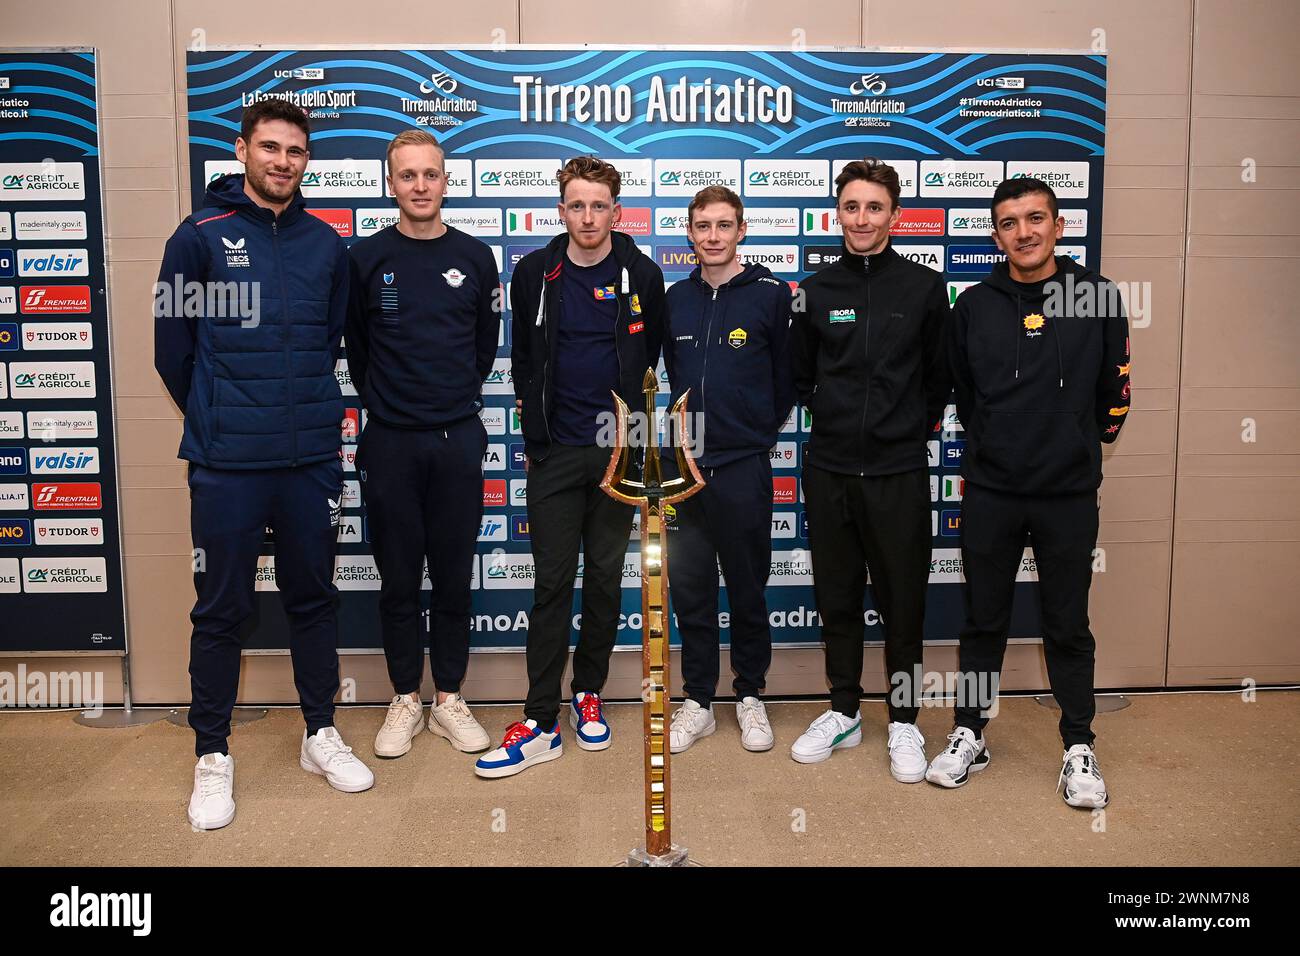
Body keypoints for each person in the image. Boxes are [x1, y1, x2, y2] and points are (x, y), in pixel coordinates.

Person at [154, 99, 372, 831]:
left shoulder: (325, 244)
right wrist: (222, 418)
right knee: (222, 609)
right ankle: (212, 754)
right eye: (271, 148)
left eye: (296, 152)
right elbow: (171, 347)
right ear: (241, 149)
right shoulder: (197, 237)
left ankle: (320, 733)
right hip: (226, 463)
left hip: (309, 456)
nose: (283, 162)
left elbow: (331, 342)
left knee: (314, 600)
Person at [926, 176, 1130, 809]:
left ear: (1058, 225)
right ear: (997, 235)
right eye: (1010, 222)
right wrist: (1000, 447)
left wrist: (1077, 442)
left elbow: (1115, 392)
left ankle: (1078, 744)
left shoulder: (1096, 296)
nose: (1024, 232)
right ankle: (970, 733)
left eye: (1036, 218)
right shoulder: (974, 305)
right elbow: (960, 389)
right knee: (983, 620)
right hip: (993, 491)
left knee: (1067, 623)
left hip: (1068, 493)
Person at [474, 156, 666, 778]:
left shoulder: (643, 273)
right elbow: (525, 358)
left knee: (607, 581)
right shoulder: (534, 272)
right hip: (556, 454)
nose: (588, 217)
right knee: (553, 583)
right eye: (576, 205)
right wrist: (537, 435)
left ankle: (590, 693)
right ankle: (539, 715)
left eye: (599, 205)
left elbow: (651, 359)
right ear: (562, 210)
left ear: (617, 210)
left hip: (618, 452)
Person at [789, 159, 950, 782]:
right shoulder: (815, 290)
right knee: (837, 600)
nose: (862, 218)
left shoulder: (924, 289)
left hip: (898, 473)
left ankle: (904, 720)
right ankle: (845, 710)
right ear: (838, 213)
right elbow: (801, 376)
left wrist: (902, 426)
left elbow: (939, 381)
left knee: (903, 601)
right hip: (828, 470)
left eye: (874, 207)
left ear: (895, 215)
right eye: (851, 207)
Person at [346, 130, 497, 759]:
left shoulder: (477, 255)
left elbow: (485, 346)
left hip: (457, 440)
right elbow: (356, 348)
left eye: (430, 175)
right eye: (407, 176)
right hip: (390, 445)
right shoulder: (364, 258)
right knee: (400, 580)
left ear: (445, 180)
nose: (420, 186)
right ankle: (406, 695)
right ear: (391, 183)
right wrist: (396, 408)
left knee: (454, 578)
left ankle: (449, 698)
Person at [661, 185, 795, 754]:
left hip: (743, 465)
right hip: (685, 468)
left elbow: (788, 379)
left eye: (723, 225)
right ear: (690, 234)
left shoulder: (770, 295)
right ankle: (698, 700)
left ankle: (750, 695)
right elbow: (666, 374)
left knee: (746, 586)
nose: (712, 236)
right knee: (690, 589)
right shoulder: (674, 298)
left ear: (741, 230)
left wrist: (754, 435)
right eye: (702, 226)